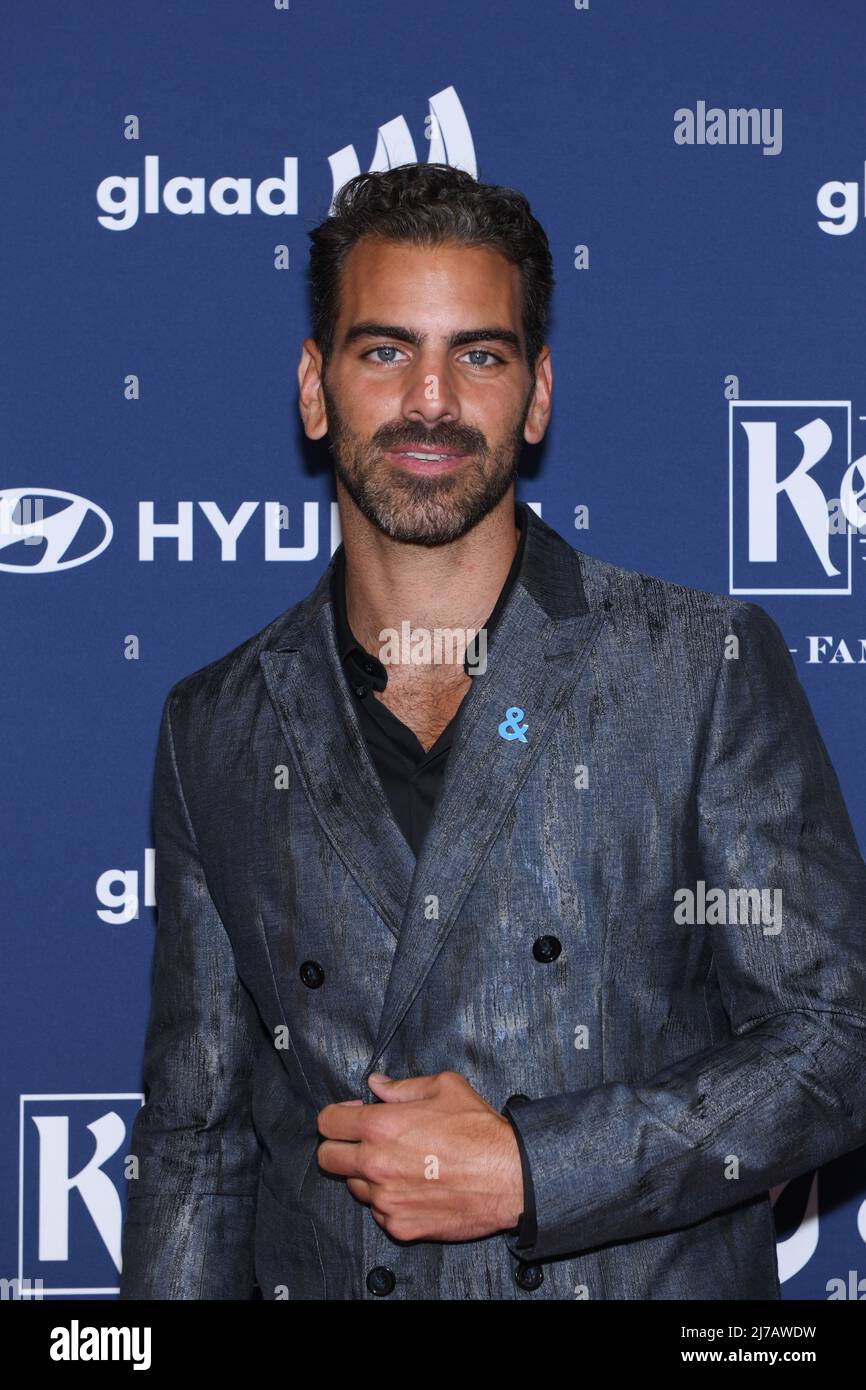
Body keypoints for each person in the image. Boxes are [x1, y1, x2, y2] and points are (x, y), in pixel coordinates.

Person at [119, 163, 866, 1300]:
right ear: (314, 390)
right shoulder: (215, 724)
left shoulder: (696, 667)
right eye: (384, 351)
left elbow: (837, 1041)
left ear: (536, 393)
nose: (430, 401)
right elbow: (195, 1145)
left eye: (478, 354)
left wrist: (533, 1168)